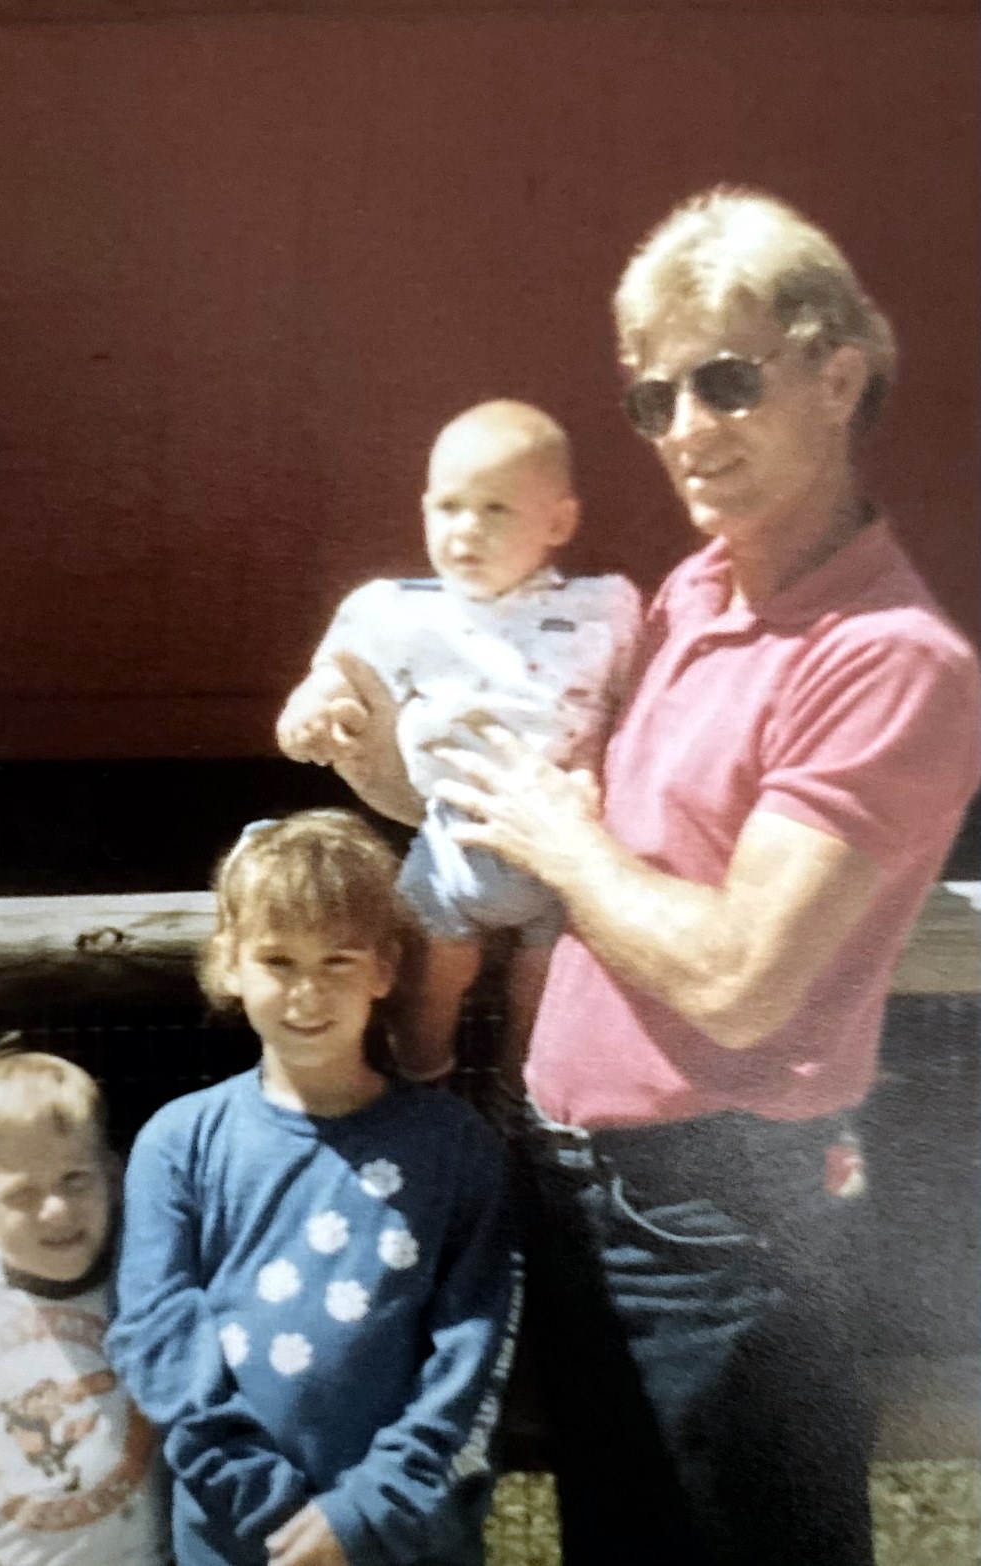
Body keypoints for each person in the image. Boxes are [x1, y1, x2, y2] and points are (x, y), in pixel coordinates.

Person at [340, 189, 980, 1565]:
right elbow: (530, 831)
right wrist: (382, 765)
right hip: (587, 1183)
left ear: (840, 375)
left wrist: (564, 839)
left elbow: (745, 982)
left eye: (727, 380)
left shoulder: (890, 659)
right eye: (654, 396)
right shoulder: (695, 597)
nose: (687, 426)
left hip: (727, 1221)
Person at [107, 810, 518, 1566]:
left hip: (404, 1541)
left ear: (386, 968)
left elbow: (474, 1350)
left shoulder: (456, 1150)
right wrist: (269, 1502)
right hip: (241, 1540)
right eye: (279, 961)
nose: (307, 992)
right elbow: (155, 1333)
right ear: (229, 963)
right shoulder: (179, 1142)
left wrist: (367, 1511)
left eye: (337, 961)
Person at [277, 402, 640, 1081]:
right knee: (432, 973)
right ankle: (424, 1070)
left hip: (566, 848)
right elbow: (337, 674)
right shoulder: (405, 611)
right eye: (449, 507)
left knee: (547, 988)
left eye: (496, 510)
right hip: (453, 842)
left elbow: (643, 697)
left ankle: (519, 1090)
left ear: (557, 523)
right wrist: (312, 708)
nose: (466, 529)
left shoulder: (600, 609)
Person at [0, 1047, 168, 1566]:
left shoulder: (143, 1281)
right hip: (1, 1557)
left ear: (111, 1174)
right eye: (22, 1195)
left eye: (74, 1180)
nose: (56, 1209)